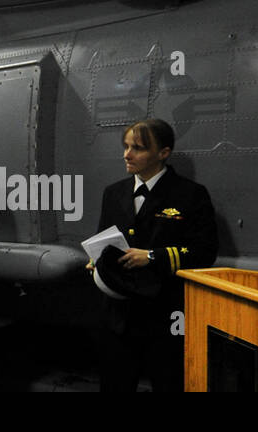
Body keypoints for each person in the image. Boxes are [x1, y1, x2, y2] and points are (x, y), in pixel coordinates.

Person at [91, 118, 218, 392]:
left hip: (165, 314)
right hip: (119, 315)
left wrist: (151, 256)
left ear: (163, 153)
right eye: (126, 146)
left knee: (169, 383)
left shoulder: (190, 195)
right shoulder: (113, 193)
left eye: (138, 148)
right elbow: (105, 240)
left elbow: (205, 252)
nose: (127, 154)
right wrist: (97, 262)